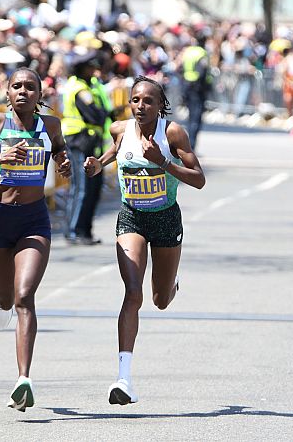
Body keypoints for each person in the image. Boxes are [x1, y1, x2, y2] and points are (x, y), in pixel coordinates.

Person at [83, 76, 205, 405]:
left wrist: (163, 162)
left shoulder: (173, 133)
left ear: (160, 105)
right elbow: (114, 152)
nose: (141, 106)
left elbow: (199, 179)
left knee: (160, 299)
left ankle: (170, 283)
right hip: (132, 218)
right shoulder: (119, 130)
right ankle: (124, 378)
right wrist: (97, 165)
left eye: (148, 101)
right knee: (133, 292)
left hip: (165, 219)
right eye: (135, 100)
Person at [0, 67, 71, 412]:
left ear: (40, 95)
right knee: (6, 299)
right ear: (7, 93)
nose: (23, 91)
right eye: (16, 86)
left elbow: (60, 151)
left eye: (30, 87)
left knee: (24, 297)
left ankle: (23, 379)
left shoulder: (51, 125)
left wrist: (63, 163)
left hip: (34, 221)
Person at [62, 50, 109, 245]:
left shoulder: (90, 85)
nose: (94, 70)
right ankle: (73, 231)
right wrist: (102, 115)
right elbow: (95, 115)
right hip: (79, 141)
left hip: (92, 141)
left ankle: (85, 231)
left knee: (94, 187)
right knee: (81, 188)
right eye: (90, 67)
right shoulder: (78, 88)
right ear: (82, 68)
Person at [180, 34, 213, 150]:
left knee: (190, 117)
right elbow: (202, 71)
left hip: (187, 85)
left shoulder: (188, 51)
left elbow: (182, 68)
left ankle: (188, 144)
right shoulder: (202, 53)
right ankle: (191, 145)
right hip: (197, 87)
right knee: (196, 117)